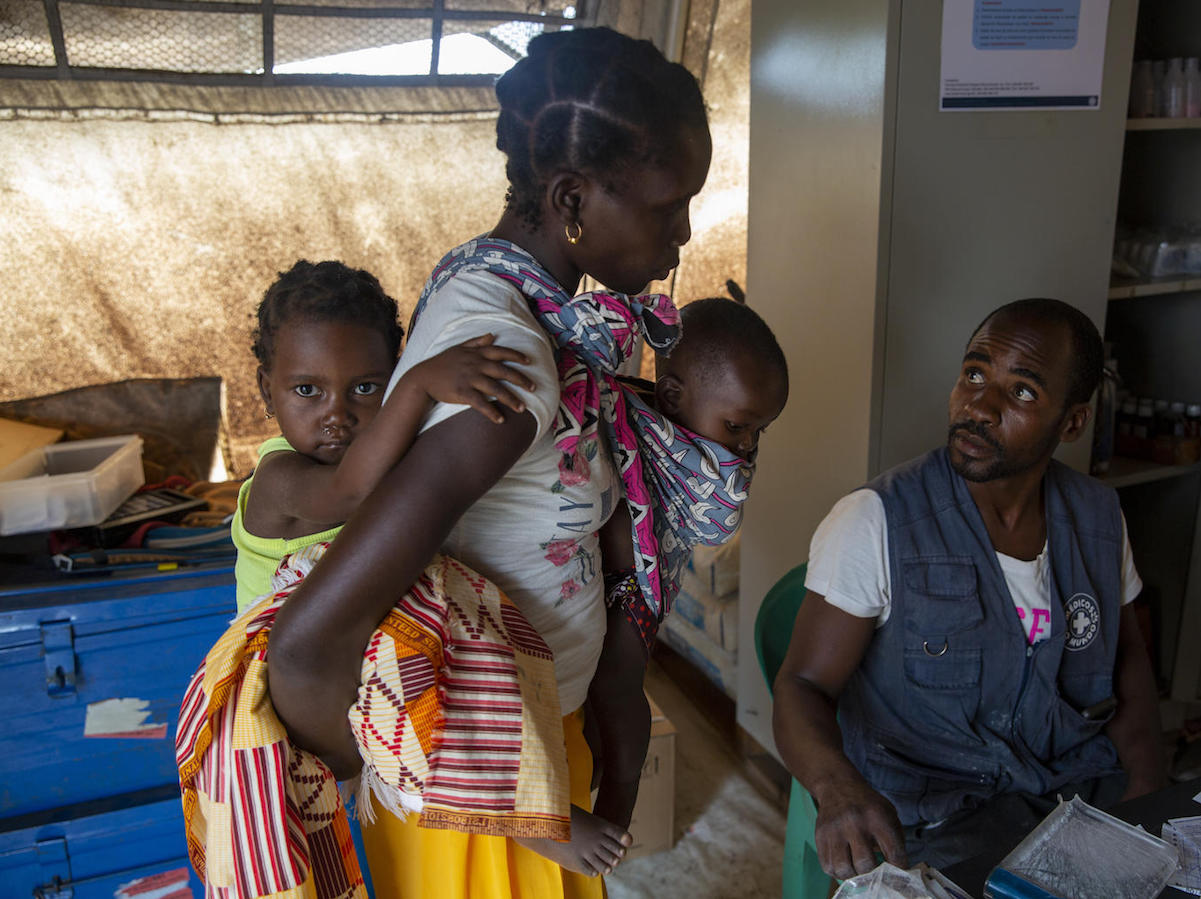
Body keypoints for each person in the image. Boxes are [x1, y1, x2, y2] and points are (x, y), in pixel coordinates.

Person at [265, 27, 712, 897]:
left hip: (533, 757)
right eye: (667, 207)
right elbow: (309, 646)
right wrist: (427, 781)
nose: (683, 235)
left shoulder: (490, 278)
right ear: (573, 199)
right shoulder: (506, 375)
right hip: (489, 809)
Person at [772, 298, 1166, 879]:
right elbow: (802, 684)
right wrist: (837, 788)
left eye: (1022, 392)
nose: (979, 406)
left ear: (1073, 422)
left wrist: (1148, 799)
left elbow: (1129, 656)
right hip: (932, 822)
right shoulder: (876, 521)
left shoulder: (1099, 517)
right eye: (975, 374)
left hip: (1074, 796)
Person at [230, 259, 533, 613]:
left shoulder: (385, 448)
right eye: (308, 390)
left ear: (392, 373)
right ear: (267, 391)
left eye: (365, 387)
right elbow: (349, 491)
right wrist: (418, 385)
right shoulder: (276, 479)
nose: (337, 416)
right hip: (272, 662)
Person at [590, 296, 789, 829]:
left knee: (620, 688)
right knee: (586, 711)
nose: (746, 448)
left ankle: (617, 805)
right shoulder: (617, 408)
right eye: (738, 427)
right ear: (674, 395)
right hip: (589, 584)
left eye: (757, 432)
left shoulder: (712, 469)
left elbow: (717, 521)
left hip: (634, 597)